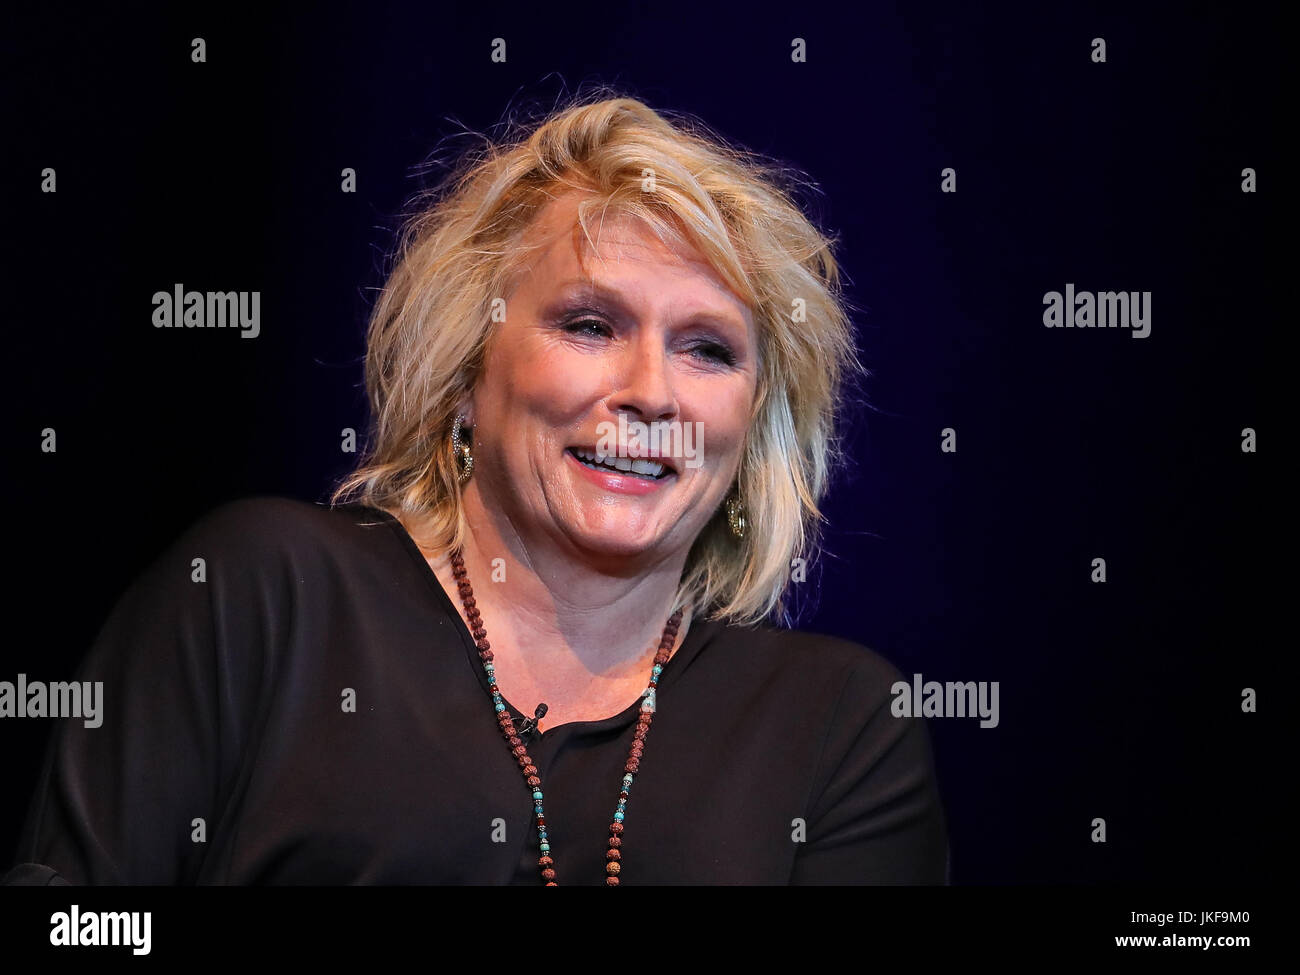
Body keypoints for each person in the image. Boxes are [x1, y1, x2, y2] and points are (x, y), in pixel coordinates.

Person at [4, 93, 949, 885]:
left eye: (707, 348)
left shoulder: (837, 726)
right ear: (466, 377)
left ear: (752, 429)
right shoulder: (264, 595)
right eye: (589, 324)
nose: (652, 391)